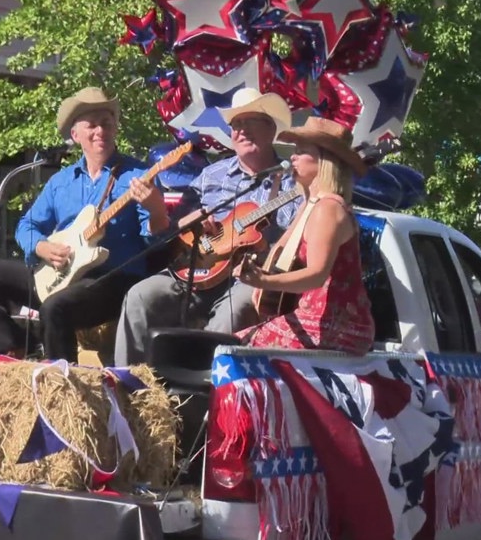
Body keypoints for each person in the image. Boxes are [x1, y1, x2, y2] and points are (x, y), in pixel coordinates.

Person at [0, 87, 169, 361]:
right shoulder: (61, 181)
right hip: (60, 276)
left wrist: (156, 209)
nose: (101, 131)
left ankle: (62, 382)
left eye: (107, 124)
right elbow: (26, 225)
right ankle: (7, 353)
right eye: (92, 125)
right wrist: (41, 247)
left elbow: (154, 239)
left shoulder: (138, 176)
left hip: (111, 280)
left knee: (54, 308)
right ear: (75, 135)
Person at [114, 88, 300, 366]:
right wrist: (189, 224)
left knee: (236, 310)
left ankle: (202, 392)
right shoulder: (210, 175)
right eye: (236, 124)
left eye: (251, 122)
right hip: (196, 268)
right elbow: (176, 228)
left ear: (271, 129)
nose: (242, 130)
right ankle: (131, 389)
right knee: (139, 296)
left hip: (246, 277)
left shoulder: (291, 183)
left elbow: (293, 243)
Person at [233, 117, 374, 354]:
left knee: (232, 347)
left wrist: (263, 281)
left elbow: (316, 275)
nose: (292, 157)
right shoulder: (310, 205)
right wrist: (258, 273)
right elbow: (280, 252)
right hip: (316, 320)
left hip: (336, 325)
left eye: (301, 151)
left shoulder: (328, 208)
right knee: (232, 343)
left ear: (324, 161)